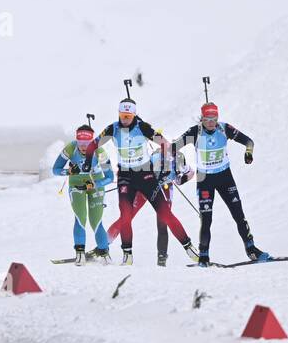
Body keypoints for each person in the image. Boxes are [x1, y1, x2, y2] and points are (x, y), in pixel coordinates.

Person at [80, 96, 200, 265]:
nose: (125, 119)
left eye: (128, 116)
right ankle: (124, 254)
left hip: (145, 175)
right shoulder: (112, 129)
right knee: (126, 216)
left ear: (134, 115)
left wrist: (169, 165)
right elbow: (93, 145)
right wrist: (87, 162)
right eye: (122, 115)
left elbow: (165, 143)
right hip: (125, 176)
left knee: (165, 214)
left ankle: (189, 248)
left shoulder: (143, 127)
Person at [172, 101, 268, 265]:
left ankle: (251, 249)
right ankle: (203, 256)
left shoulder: (224, 128)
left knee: (238, 213)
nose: (211, 122)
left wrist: (248, 153)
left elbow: (248, 141)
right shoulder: (195, 131)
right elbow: (173, 147)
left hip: (225, 177)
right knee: (207, 219)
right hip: (205, 180)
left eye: (214, 118)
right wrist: (175, 165)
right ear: (201, 118)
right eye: (207, 118)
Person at [52, 122, 114, 265]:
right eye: (80, 142)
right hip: (76, 185)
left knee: (96, 221)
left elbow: (110, 177)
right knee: (80, 218)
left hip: (95, 185)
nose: (83, 146)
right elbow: (55, 170)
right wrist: (68, 171)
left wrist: (96, 184)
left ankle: (104, 252)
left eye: (87, 143)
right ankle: (80, 252)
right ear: (77, 140)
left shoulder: (99, 151)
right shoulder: (71, 148)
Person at [144, 147, 194, 266]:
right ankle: (105, 247)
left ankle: (161, 258)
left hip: (166, 189)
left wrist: (180, 180)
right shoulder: (154, 156)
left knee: (162, 223)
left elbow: (191, 172)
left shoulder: (179, 157)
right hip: (152, 188)